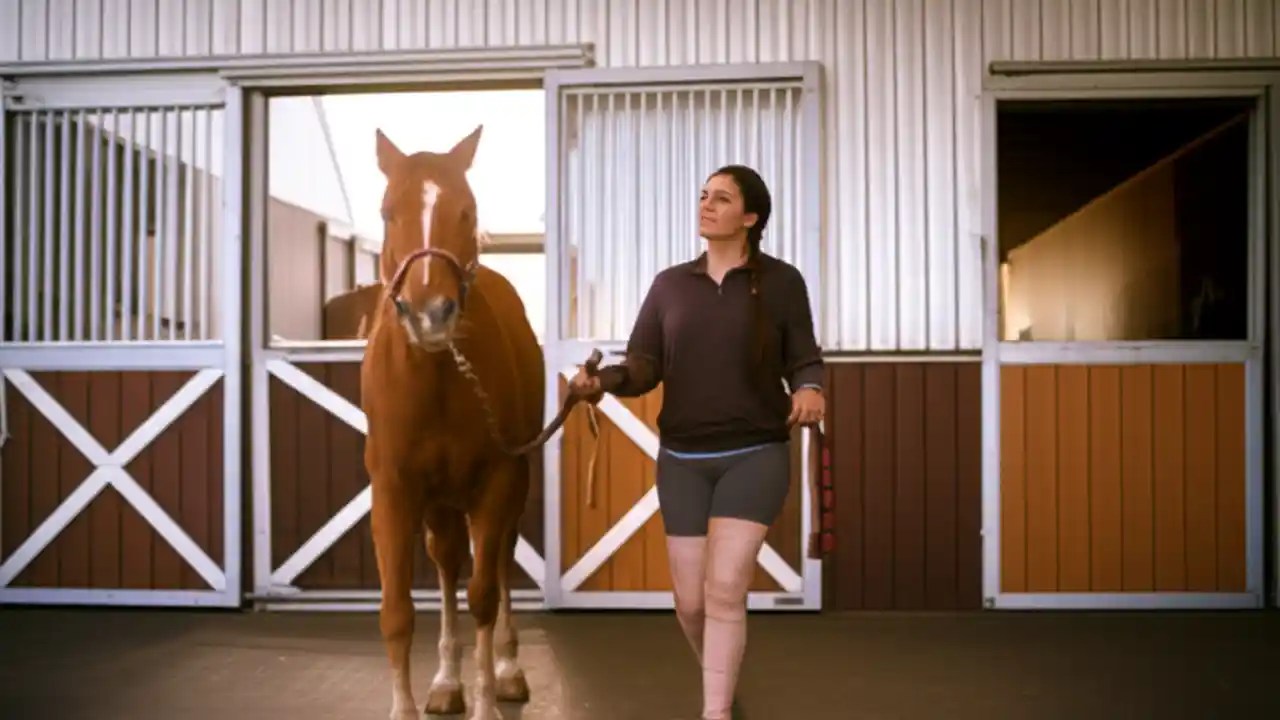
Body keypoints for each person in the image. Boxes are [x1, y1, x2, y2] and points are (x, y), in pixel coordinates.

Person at [568, 164, 825, 719]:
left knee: (726, 588)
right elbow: (642, 368)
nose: (706, 205)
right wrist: (599, 384)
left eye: (722, 199)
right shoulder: (668, 286)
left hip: (754, 454)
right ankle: (723, 682)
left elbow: (804, 354)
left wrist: (809, 387)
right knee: (690, 603)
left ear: (750, 218)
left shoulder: (782, 282)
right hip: (682, 459)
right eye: (704, 196)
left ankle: (715, 712)